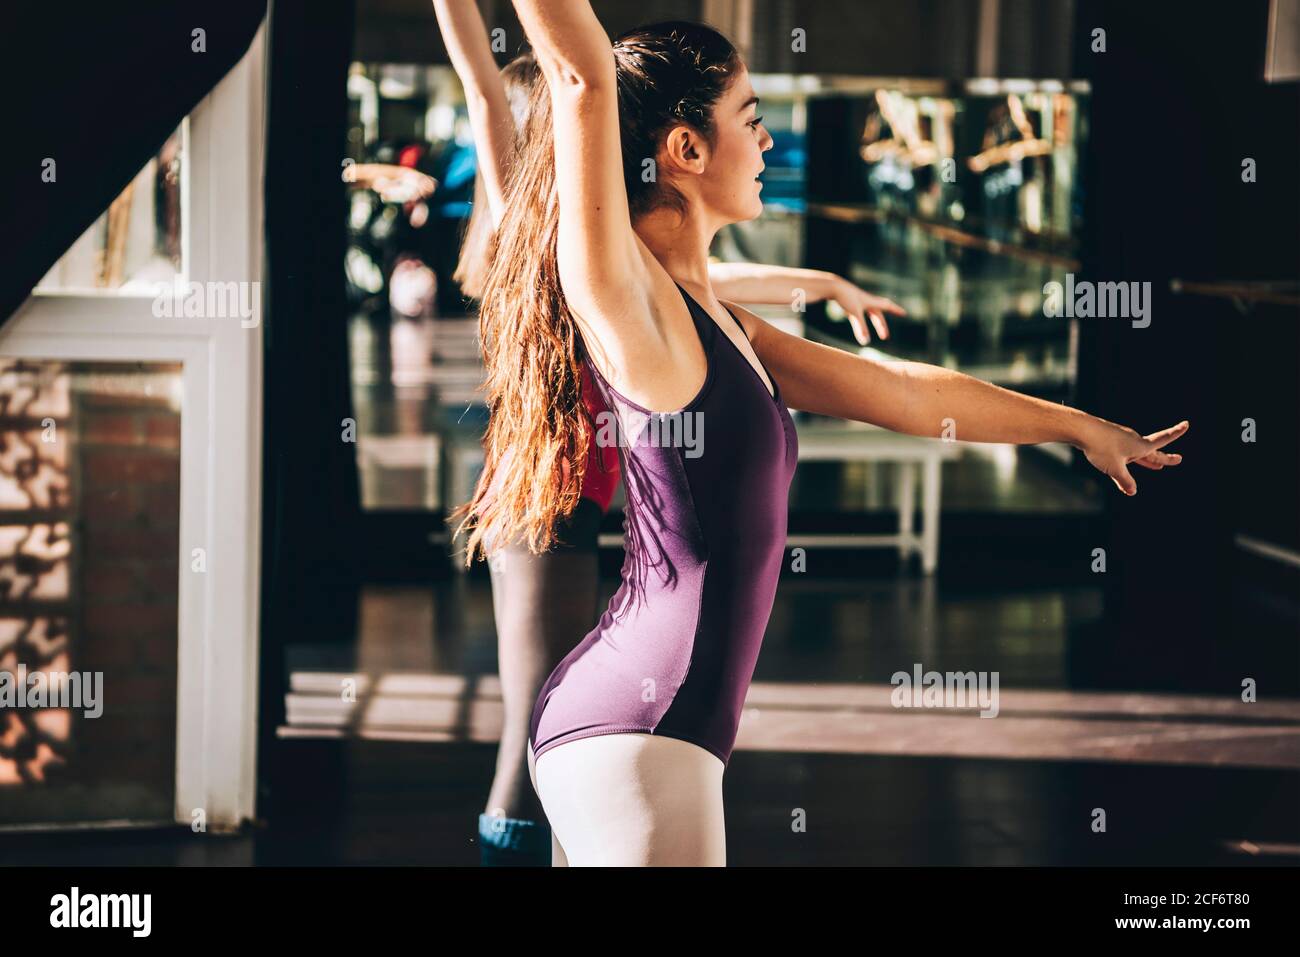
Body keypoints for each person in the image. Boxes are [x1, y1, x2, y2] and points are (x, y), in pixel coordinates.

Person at [461, 6, 1187, 866]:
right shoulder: (632, 307)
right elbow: (582, 74)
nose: (768, 142)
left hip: (643, 726)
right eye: (751, 120)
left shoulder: (718, 323)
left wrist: (1076, 426)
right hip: (642, 730)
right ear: (687, 150)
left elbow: (902, 391)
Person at [431, 0, 903, 866]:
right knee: (530, 728)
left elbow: (714, 284)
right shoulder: (547, 238)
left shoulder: (627, 260)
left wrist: (823, 283)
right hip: (546, 502)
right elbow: (484, 86)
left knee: (558, 718)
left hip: (585, 492)